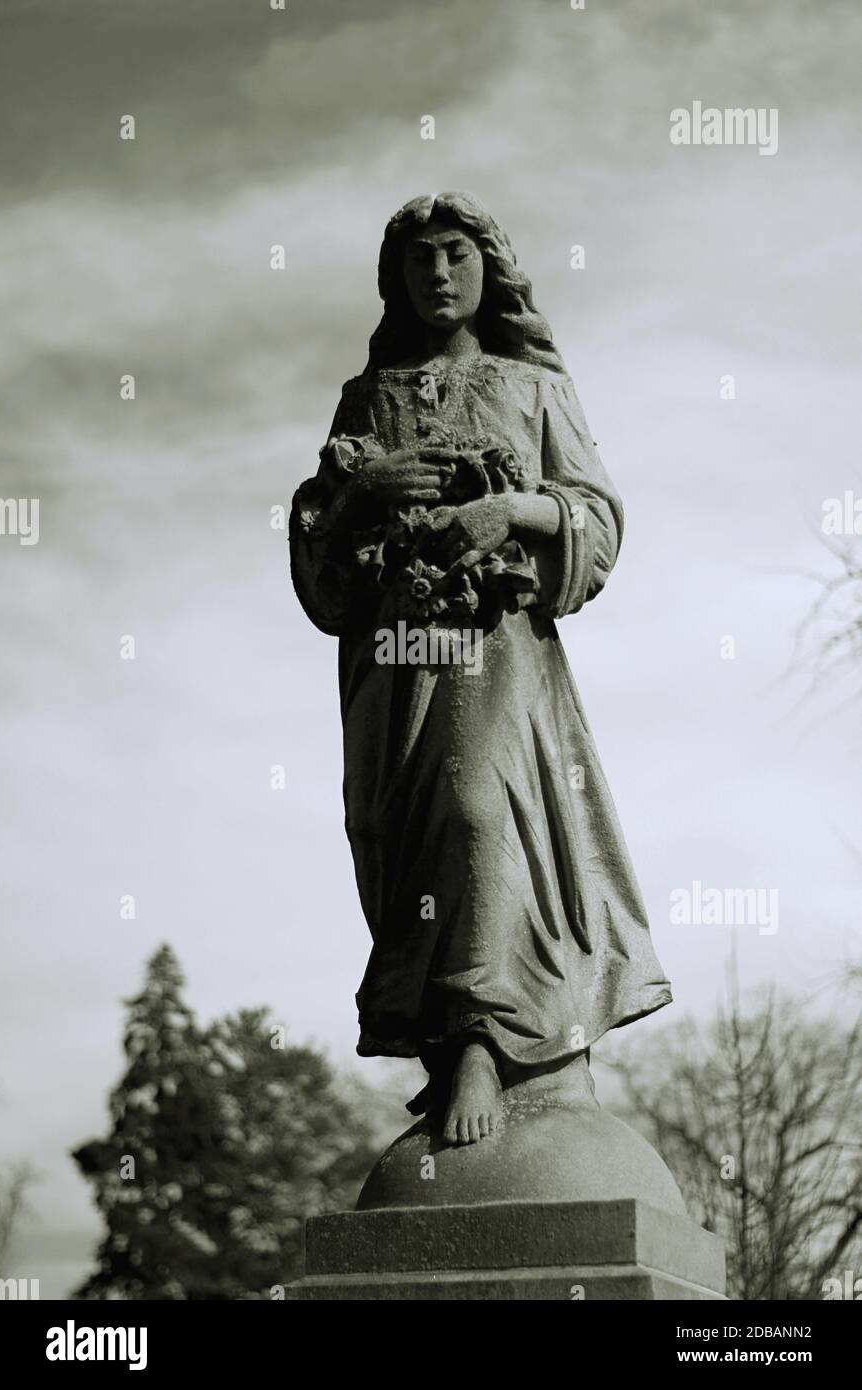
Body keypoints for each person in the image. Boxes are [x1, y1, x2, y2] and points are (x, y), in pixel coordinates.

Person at [290, 192, 671, 1146]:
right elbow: (319, 564)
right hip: (390, 661)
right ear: (397, 279)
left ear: (487, 265)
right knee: (396, 833)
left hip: (496, 650)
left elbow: (598, 518)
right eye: (420, 260)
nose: (440, 274)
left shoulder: (530, 384)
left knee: (477, 805)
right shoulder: (364, 400)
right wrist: (359, 495)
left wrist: (514, 514)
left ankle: (481, 1040)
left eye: (456, 254)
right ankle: (442, 1035)